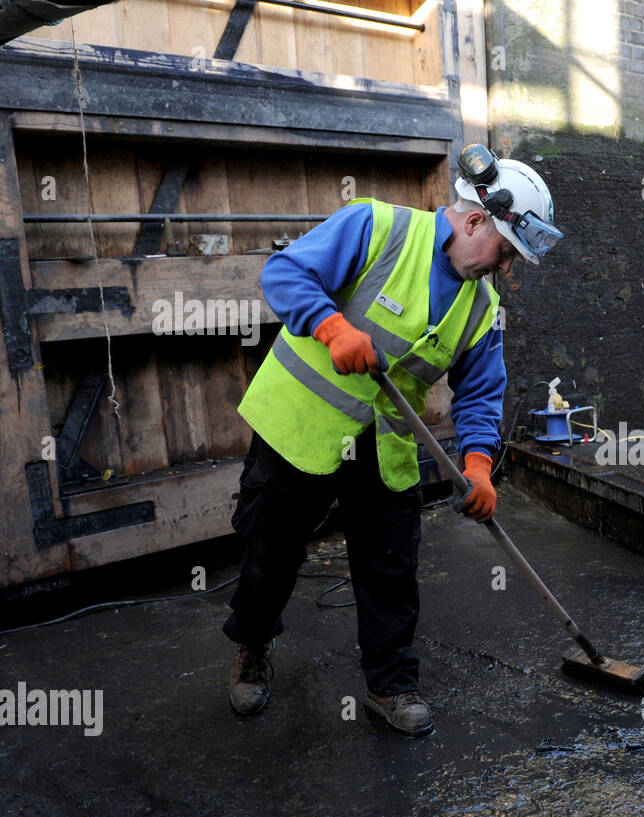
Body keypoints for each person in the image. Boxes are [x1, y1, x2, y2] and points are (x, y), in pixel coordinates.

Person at [221, 147, 562, 737]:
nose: (505, 267)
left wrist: (478, 467)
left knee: (390, 566)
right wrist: (331, 326)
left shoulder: (481, 310)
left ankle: (391, 686)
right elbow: (284, 273)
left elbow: (480, 394)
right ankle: (252, 650)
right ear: (476, 220)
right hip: (301, 424)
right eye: (506, 251)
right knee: (269, 552)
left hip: (384, 443)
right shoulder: (377, 226)